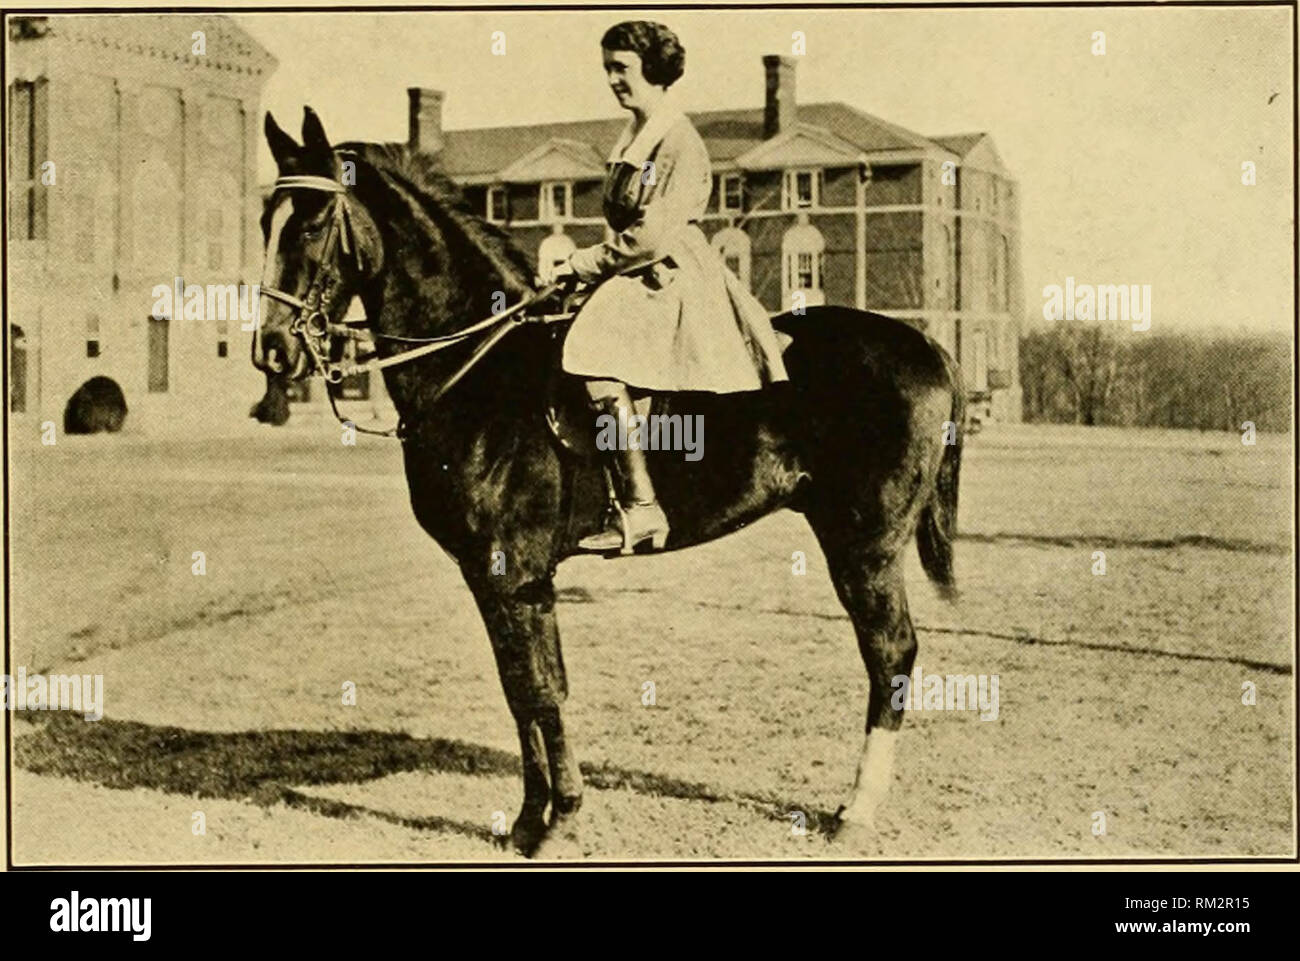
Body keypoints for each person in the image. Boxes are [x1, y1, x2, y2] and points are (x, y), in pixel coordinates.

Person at [556, 20, 789, 554]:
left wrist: (587, 261)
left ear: (653, 72)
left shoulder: (678, 139)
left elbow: (653, 234)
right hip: (634, 267)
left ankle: (641, 508)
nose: (613, 79)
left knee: (594, 351)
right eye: (607, 69)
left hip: (669, 271)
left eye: (622, 68)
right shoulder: (632, 136)